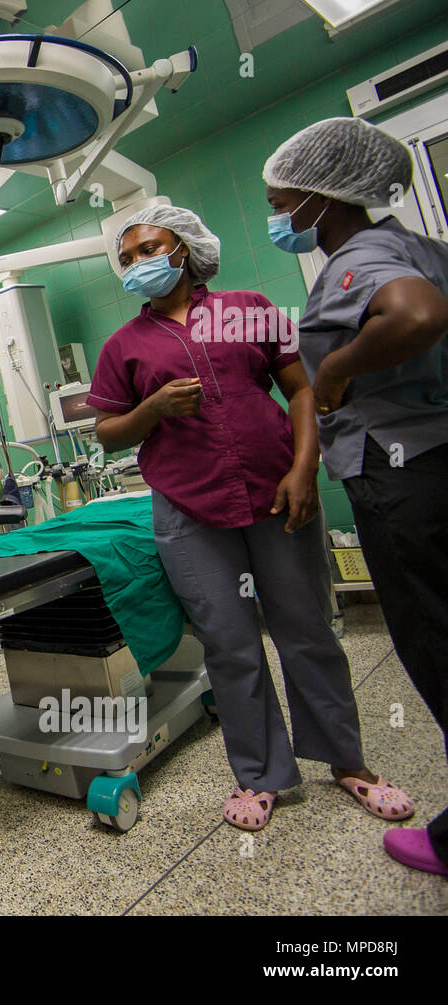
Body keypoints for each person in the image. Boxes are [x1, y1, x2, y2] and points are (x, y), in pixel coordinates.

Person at [87, 204, 412, 832]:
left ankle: (348, 761)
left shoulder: (249, 308)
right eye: (126, 258)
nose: (136, 264)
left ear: (184, 248)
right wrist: (152, 408)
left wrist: (304, 469)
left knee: (308, 628)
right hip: (188, 511)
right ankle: (260, 776)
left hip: (275, 492)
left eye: (149, 249)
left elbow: (301, 390)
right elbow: (107, 435)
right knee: (230, 647)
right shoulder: (123, 345)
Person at [264, 117, 448, 876]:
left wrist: (335, 369)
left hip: (403, 479)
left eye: (279, 201)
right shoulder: (421, 246)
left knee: (436, 641)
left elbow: (415, 317)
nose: (275, 215)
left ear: (319, 196)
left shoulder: (358, 257)